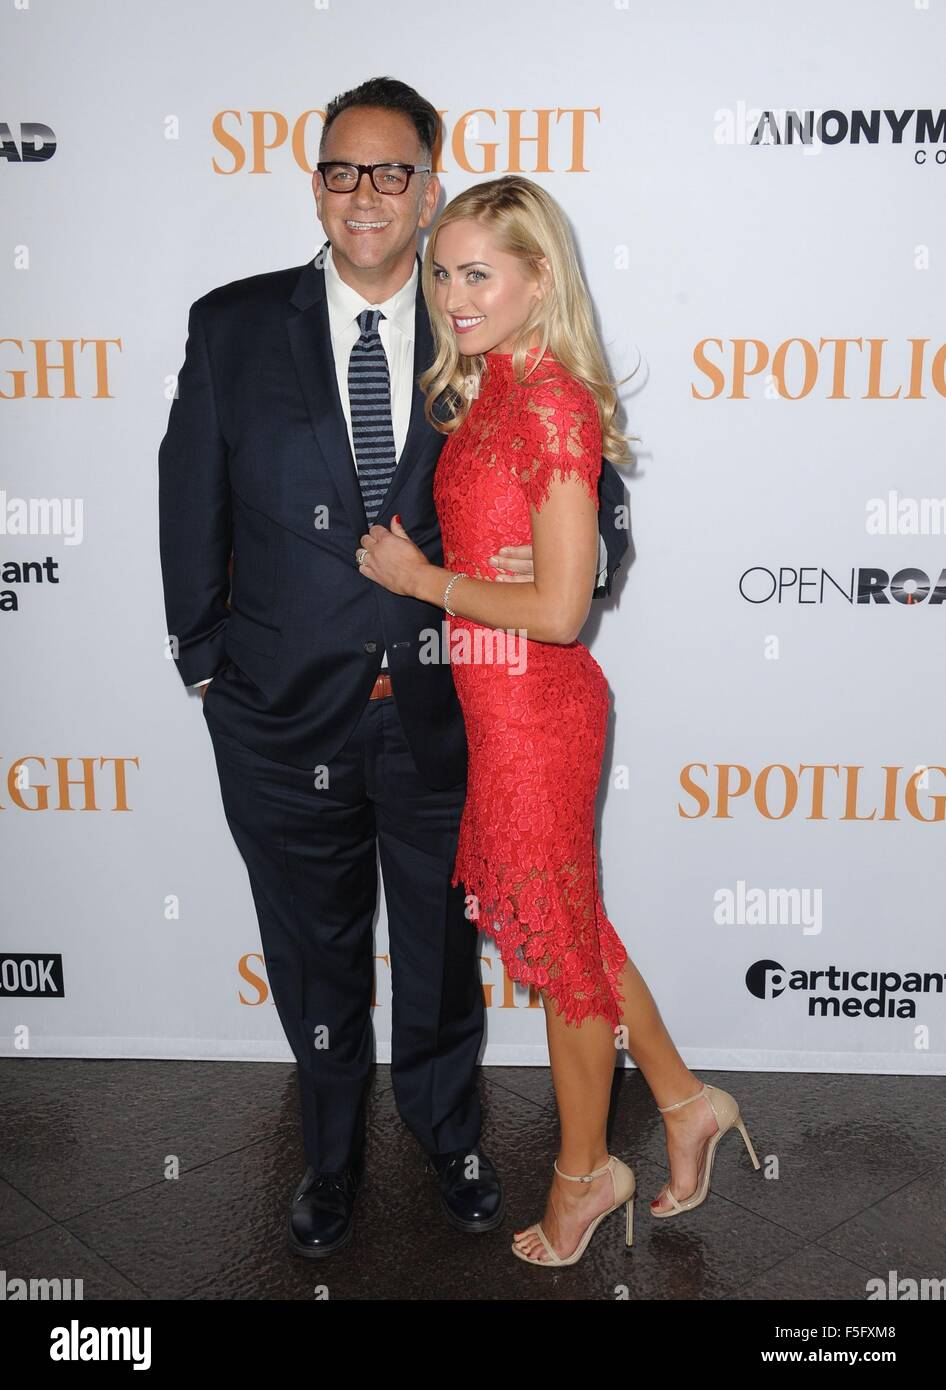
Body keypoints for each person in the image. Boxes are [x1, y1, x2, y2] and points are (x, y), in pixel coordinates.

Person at [157, 77, 629, 1259]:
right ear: (315, 183)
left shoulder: (477, 312)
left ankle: (451, 1138)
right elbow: (186, 507)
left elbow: (594, 494)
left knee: (436, 953)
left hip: (444, 705)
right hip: (278, 719)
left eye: (391, 172)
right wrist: (209, 666)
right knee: (313, 960)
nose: (364, 196)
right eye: (339, 170)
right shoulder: (232, 324)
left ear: (429, 184)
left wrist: (586, 559)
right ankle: (327, 1157)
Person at [357, 174, 763, 1266]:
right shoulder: (489, 387)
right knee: (573, 929)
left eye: (477, 273)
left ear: (541, 280)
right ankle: (683, 1104)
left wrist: (422, 577)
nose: (451, 293)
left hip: (538, 711)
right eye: (442, 273)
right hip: (499, 707)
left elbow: (557, 610)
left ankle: (584, 1175)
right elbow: (531, 568)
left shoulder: (548, 403)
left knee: (565, 960)